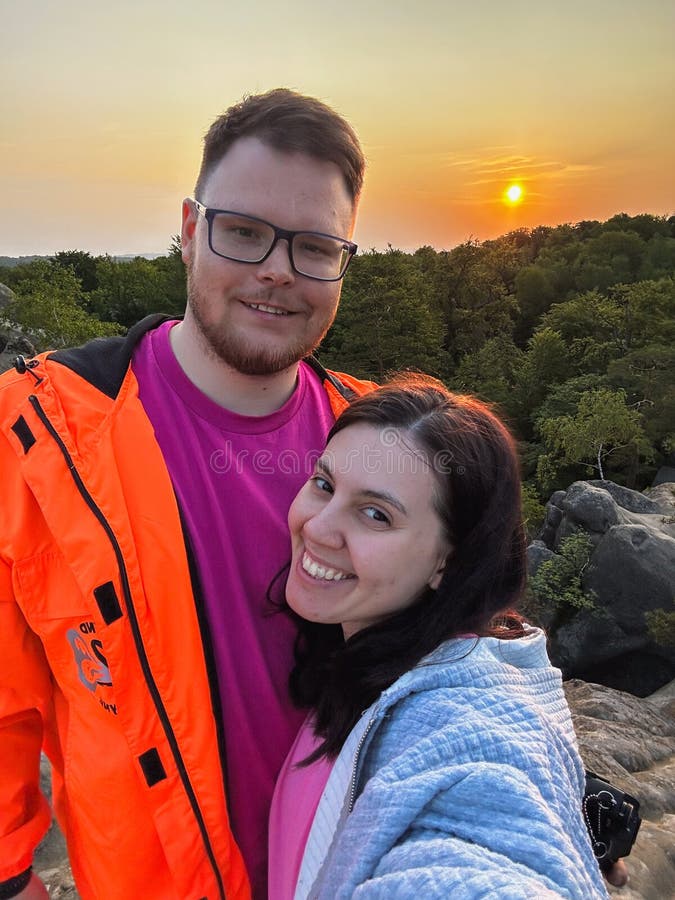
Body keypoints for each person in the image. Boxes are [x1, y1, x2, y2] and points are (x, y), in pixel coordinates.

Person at [0, 89, 374, 900]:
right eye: (243, 232)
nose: (276, 270)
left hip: (357, 872)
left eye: (313, 246)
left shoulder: (384, 444)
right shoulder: (41, 436)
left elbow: (461, 647)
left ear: (343, 261)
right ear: (187, 229)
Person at [269, 374, 610, 898]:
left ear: (447, 562)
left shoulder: (459, 712)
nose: (317, 528)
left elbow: (483, 841)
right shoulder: (354, 653)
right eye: (325, 485)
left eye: (376, 514)